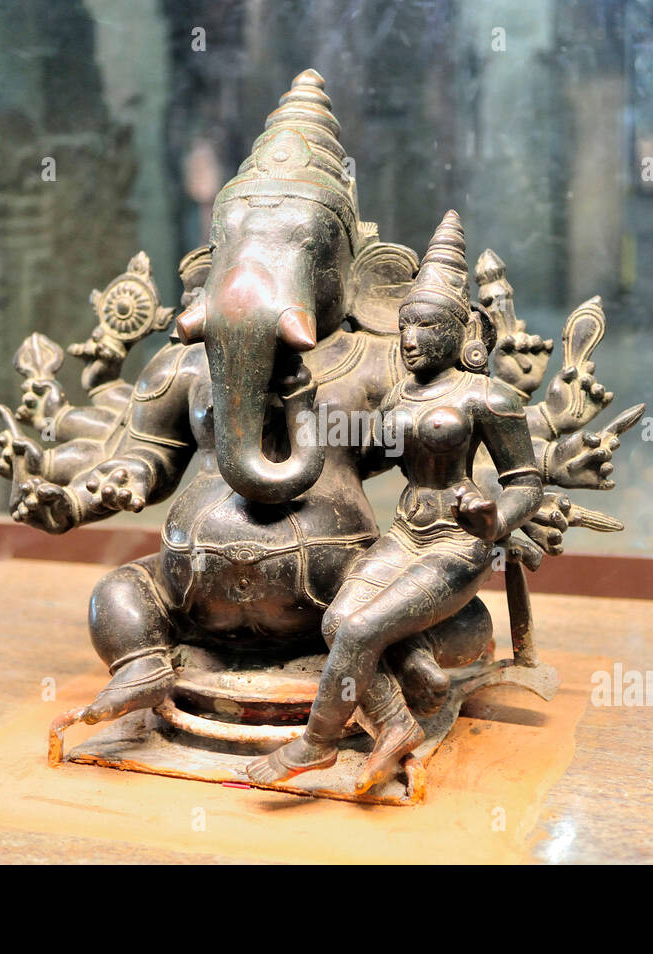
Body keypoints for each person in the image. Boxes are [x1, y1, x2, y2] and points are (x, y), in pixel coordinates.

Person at [248, 210, 543, 792]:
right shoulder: (396, 395)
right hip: (405, 531)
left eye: (427, 327)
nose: (410, 339)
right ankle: (395, 726)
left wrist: (493, 519)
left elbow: (527, 484)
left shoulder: (489, 396)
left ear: (461, 332)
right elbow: (358, 454)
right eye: (405, 326)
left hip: (458, 546)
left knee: (359, 633)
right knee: (337, 623)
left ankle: (317, 741)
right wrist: (301, 408)